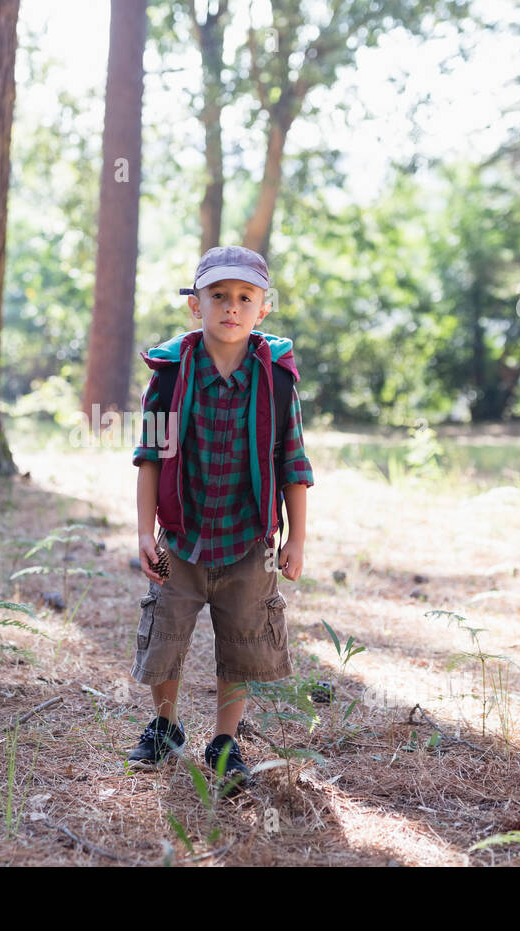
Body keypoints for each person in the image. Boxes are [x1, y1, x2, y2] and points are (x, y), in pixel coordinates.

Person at [128, 245, 314, 793]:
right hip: (182, 538)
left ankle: (226, 741)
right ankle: (165, 727)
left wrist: (297, 538)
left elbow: (294, 464)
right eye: (218, 296)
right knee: (166, 633)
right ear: (196, 305)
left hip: (248, 540)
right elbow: (149, 457)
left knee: (242, 640)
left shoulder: (277, 384)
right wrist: (144, 531)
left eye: (244, 297)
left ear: (262, 309)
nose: (230, 307)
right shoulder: (168, 378)